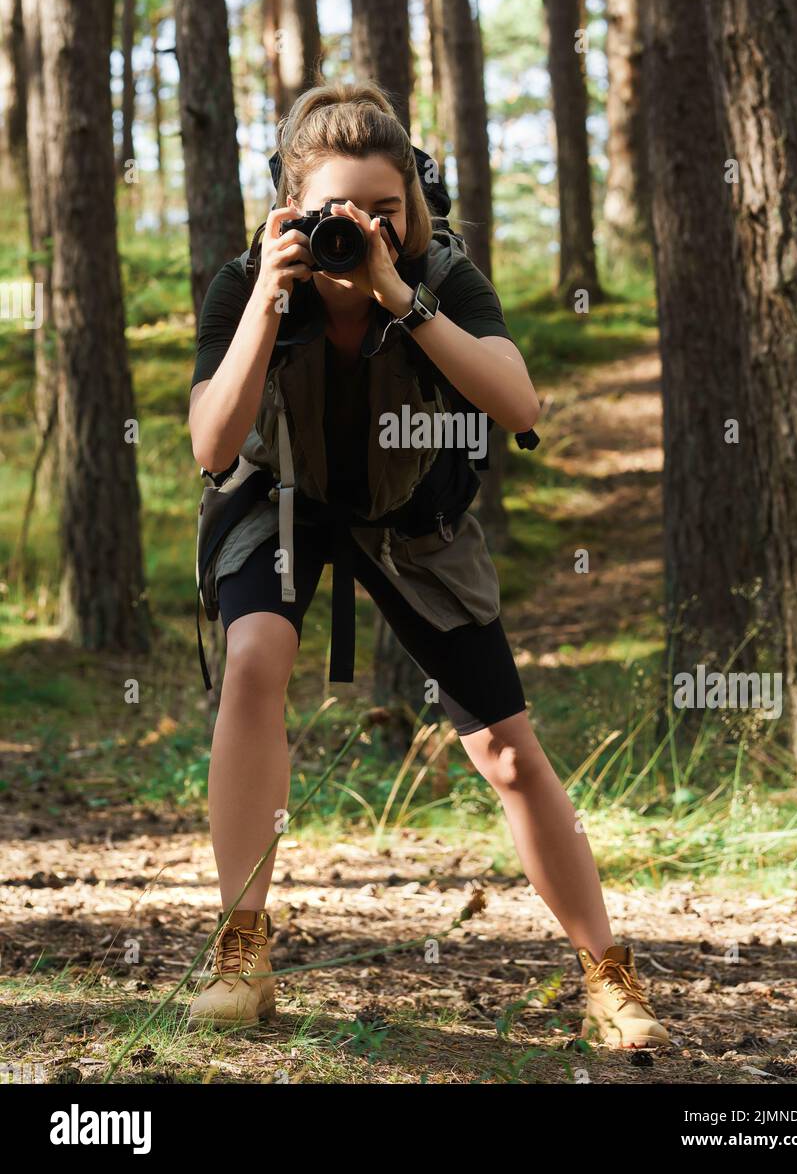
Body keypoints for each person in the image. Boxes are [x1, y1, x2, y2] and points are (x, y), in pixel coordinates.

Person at [186, 77, 670, 1048]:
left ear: (412, 209)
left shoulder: (440, 280)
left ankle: (606, 973)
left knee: (502, 747)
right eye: (335, 213)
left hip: (411, 516)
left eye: (384, 211)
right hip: (278, 499)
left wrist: (398, 296)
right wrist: (269, 297)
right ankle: (241, 945)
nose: (359, 228)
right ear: (289, 209)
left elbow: (520, 407)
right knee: (252, 664)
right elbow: (211, 443)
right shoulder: (250, 282)